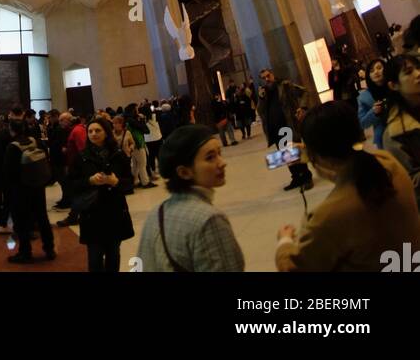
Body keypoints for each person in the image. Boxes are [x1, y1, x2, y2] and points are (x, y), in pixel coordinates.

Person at [275, 101, 420, 271]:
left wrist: (284, 242)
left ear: (319, 156)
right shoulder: (387, 163)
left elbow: (294, 268)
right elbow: (345, 171)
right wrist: (314, 153)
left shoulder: (327, 218)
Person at [139, 125, 245, 272]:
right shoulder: (209, 220)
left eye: (219, 153)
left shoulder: (156, 212)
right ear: (184, 172)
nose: (222, 162)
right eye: (210, 157)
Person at [69, 116, 134, 272]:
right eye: (90, 131)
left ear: (106, 132)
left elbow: (130, 183)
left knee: (113, 254)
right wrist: (90, 181)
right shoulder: (81, 157)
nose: (93, 134)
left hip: (114, 211)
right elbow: (71, 184)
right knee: (94, 256)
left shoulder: (118, 155)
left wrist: (115, 182)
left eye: (98, 130)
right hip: (92, 213)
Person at [4, 117, 56, 264]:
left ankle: (25, 252)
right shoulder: (35, 141)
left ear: (11, 130)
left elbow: (8, 172)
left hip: (20, 189)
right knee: (42, 218)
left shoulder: (12, 146)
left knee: (21, 221)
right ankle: (49, 248)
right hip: (38, 187)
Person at [257, 68, 312, 191]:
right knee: (286, 155)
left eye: (268, 76)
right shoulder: (264, 93)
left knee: (295, 152)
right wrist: (261, 98)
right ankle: (296, 177)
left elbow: (304, 92)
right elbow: (260, 111)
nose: (267, 79)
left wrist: (302, 107)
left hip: (288, 125)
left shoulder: (285, 85)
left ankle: (307, 177)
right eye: (264, 78)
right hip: (275, 129)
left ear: (273, 74)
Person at [383, 51, 420, 204]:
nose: (418, 74)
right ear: (393, 85)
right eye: (409, 72)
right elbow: (410, 182)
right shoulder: (394, 134)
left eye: (418, 68)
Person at [358, 57, 389, 150]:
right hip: (383, 134)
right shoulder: (364, 97)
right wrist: (374, 112)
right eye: (372, 71)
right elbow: (362, 123)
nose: (376, 72)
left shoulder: (395, 85)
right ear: (369, 76)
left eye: (379, 68)